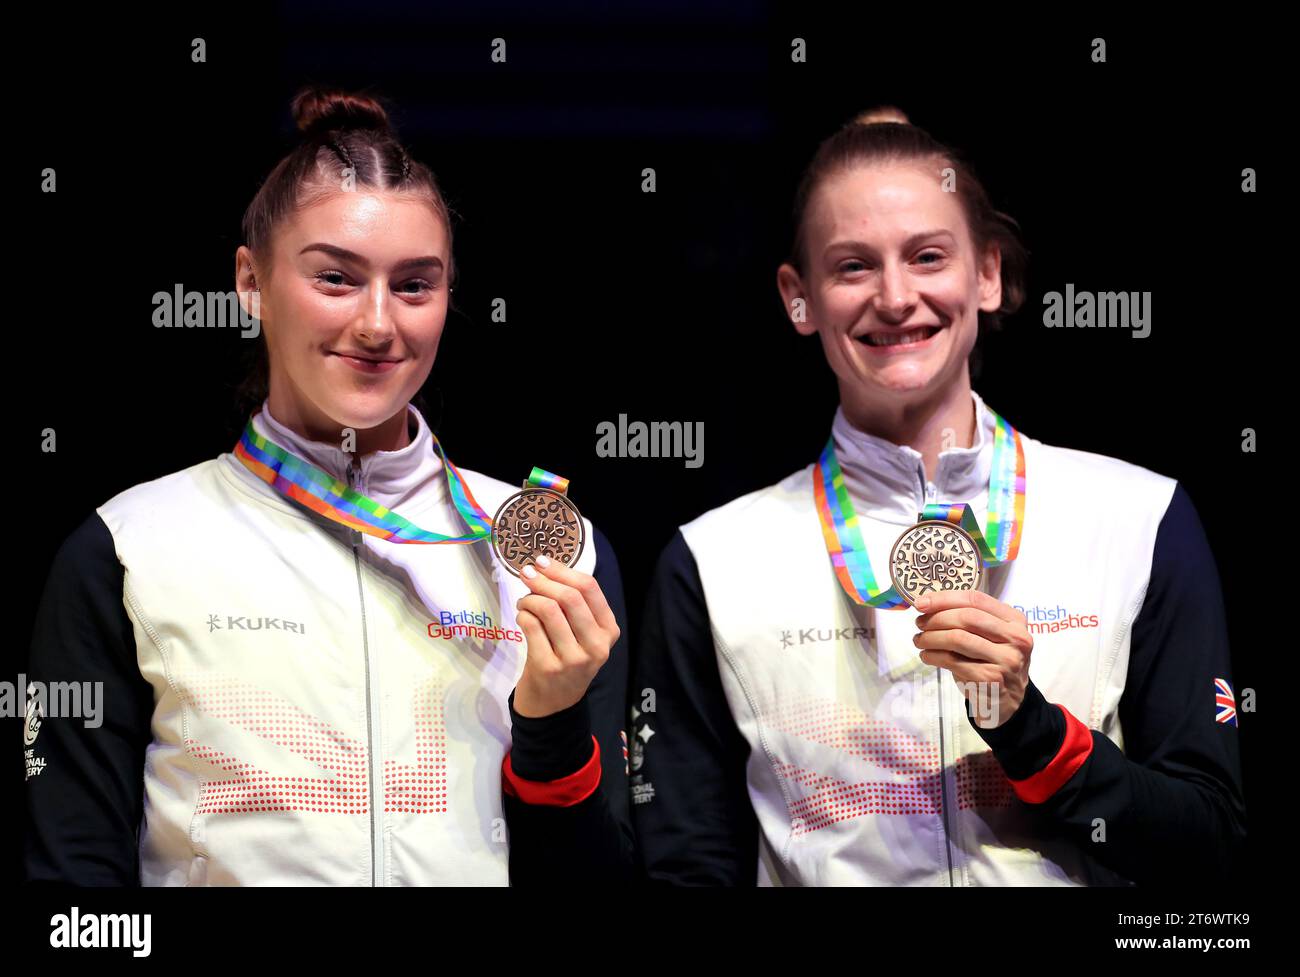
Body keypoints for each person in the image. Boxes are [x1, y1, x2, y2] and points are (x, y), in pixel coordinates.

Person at [24, 87, 634, 886]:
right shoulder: (128, 549)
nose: (379, 324)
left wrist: (551, 726)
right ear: (250, 282)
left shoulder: (557, 552)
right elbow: (75, 887)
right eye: (337, 279)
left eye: (415, 285)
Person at [631, 107, 1247, 886]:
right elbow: (690, 868)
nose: (895, 297)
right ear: (799, 296)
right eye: (853, 266)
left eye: (927, 256)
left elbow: (1210, 847)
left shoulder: (1138, 518)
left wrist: (1032, 730)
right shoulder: (713, 562)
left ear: (987, 273)